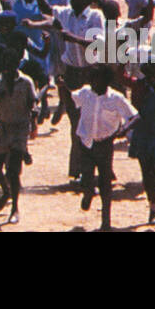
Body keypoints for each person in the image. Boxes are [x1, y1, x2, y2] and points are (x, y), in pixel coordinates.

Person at [61, 64, 136, 231]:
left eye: (99, 80)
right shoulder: (86, 92)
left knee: (105, 182)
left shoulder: (116, 98)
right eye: (93, 80)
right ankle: (88, 193)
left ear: (106, 81)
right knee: (86, 177)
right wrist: (63, 87)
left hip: (105, 144)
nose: (95, 84)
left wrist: (123, 130)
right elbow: (72, 99)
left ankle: (105, 220)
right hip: (86, 142)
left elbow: (134, 116)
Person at [0, 31, 36, 224]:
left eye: (10, 66)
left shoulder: (26, 82)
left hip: (19, 128)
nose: (7, 69)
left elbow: (33, 102)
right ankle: (5, 191)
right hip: (3, 127)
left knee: (13, 170)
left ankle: (15, 207)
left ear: (16, 65)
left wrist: (34, 121)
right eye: (4, 66)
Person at [127, 59, 155, 225]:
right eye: (150, 73)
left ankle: (154, 205)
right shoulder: (139, 86)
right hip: (142, 133)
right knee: (147, 170)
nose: (154, 76)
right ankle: (154, 207)